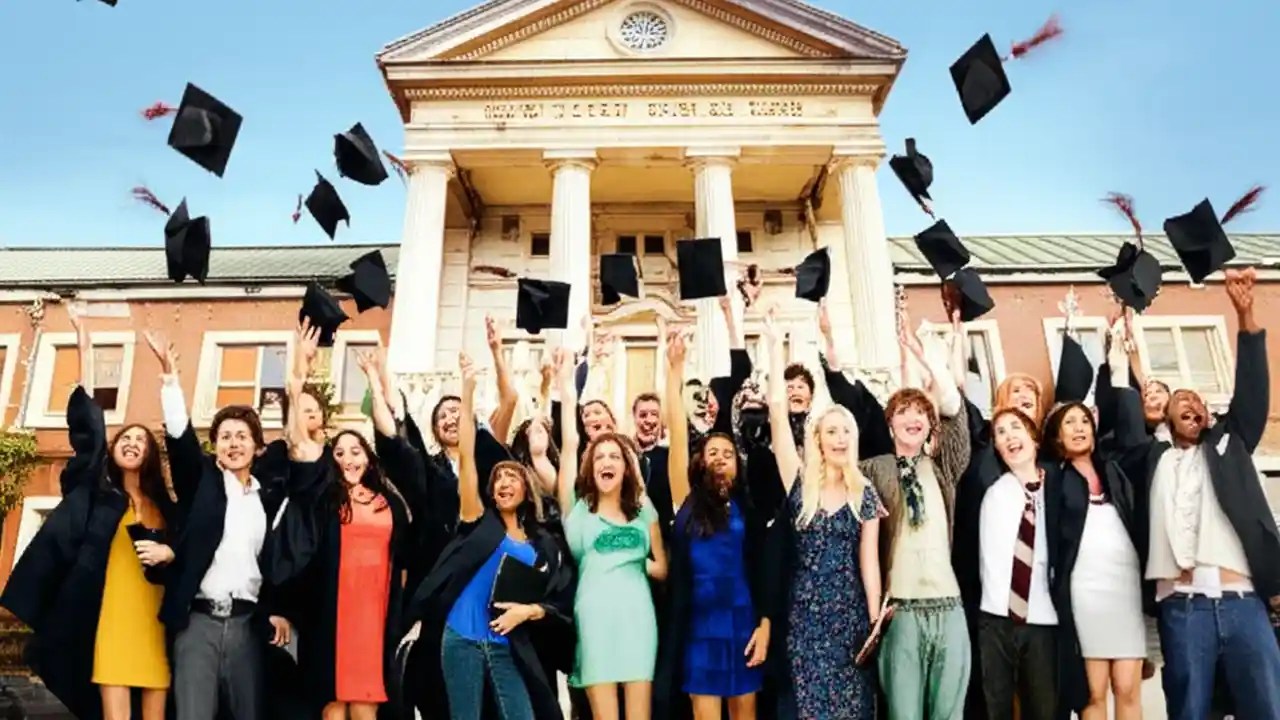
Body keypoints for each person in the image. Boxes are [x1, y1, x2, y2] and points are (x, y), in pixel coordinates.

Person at [1, 309, 177, 720]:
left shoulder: (165, 506)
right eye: (126, 437)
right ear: (115, 449)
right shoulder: (99, 493)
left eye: (142, 440)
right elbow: (89, 429)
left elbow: (183, 552)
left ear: (151, 454)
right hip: (109, 616)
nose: (133, 442)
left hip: (155, 620)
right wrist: (85, 345)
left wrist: (169, 554)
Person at [405, 352, 575, 720]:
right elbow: (466, 455)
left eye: (512, 478)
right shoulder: (477, 520)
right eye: (498, 479)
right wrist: (467, 391)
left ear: (526, 491)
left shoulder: (540, 541)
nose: (503, 484)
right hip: (462, 639)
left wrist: (529, 612)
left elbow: (555, 598)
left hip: (507, 643)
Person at [266, 321, 422, 720]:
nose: (349, 459)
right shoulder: (324, 494)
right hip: (333, 609)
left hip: (377, 610)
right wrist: (297, 379)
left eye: (356, 451)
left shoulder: (389, 499)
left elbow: (393, 435)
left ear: (369, 458)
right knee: (333, 703)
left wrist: (375, 375)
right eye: (340, 453)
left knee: (368, 702)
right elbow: (299, 441)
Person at [1142, 268, 1280, 719]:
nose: (1191, 404)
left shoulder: (1230, 444)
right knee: (1190, 710)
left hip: (1243, 605)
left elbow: (1254, 393)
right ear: (1165, 417)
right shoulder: (1153, 459)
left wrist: (1245, 316)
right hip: (1184, 611)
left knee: (1266, 707)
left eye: (1198, 401)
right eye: (1180, 401)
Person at [144, 330, 292, 720]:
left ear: (258, 447)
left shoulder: (269, 498)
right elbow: (179, 439)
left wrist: (276, 610)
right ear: (215, 446)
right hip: (198, 624)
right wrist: (170, 377)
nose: (233, 443)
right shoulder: (205, 483)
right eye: (225, 436)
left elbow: (276, 563)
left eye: (242, 436)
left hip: (248, 624)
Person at [764, 308, 885, 720]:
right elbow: (778, 413)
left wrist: (873, 622)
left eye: (845, 431)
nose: (839, 437)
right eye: (830, 431)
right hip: (804, 617)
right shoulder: (800, 485)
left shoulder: (864, 492)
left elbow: (869, 563)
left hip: (849, 616)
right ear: (817, 439)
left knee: (852, 709)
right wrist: (773, 344)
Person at [656, 329, 781, 720]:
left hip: (744, 623)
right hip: (698, 626)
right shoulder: (687, 502)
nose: (722, 457)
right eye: (713, 451)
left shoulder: (749, 508)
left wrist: (765, 624)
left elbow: (764, 569)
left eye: (729, 452)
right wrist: (674, 370)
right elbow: (677, 434)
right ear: (701, 462)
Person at [860, 317, 972, 720]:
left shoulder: (945, 466)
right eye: (904, 411)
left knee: (948, 714)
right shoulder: (873, 470)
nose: (914, 418)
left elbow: (956, 413)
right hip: (901, 612)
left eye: (921, 413)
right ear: (889, 423)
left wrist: (928, 359)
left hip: (950, 608)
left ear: (929, 425)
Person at [1040, 321, 1151, 720]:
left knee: (1129, 688)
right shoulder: (1052, 477)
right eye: (1069, 422)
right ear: (1056, 436)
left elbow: (1135, 433)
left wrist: (1121, 366)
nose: (1079, 427)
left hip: (1124, 588)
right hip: (1083, 592)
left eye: (1084, 421)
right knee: (1093, 693)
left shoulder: (1115, 468)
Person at [556, 346, 668, 720]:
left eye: (615, 456)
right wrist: (566, 386)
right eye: (600, 457)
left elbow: (662, 568)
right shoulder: (578, 510)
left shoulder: (644, 511)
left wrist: (635, 560)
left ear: (626, 466)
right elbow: (570, 443)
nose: (607, 461)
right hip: (595, 617)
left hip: (638, 616)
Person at [977, 408, 1058, 720]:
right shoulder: (994, 493)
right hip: (996, 617)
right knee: (996, 707)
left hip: (1044, 618)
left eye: (1016, 427)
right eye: (1000, 432)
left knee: (1044, 709)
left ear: (1034, 439)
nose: (1009, 436)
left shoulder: (1058, 487)